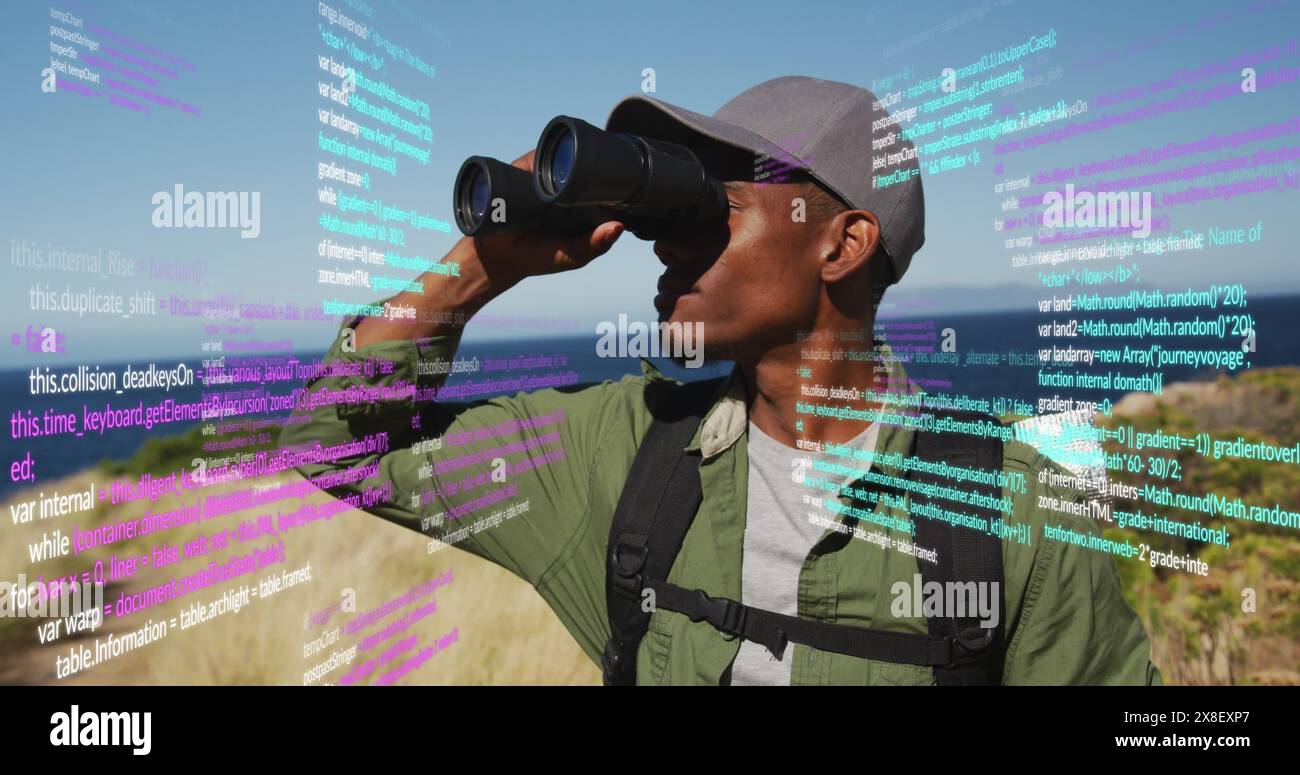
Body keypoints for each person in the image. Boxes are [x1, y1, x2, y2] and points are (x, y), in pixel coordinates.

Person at [280, 76, 1161, 685]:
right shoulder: (617, 450)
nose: (668, 242)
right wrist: (477, 269)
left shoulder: (1012, 511)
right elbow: (334, 449)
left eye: (711, 210)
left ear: (842, 243)